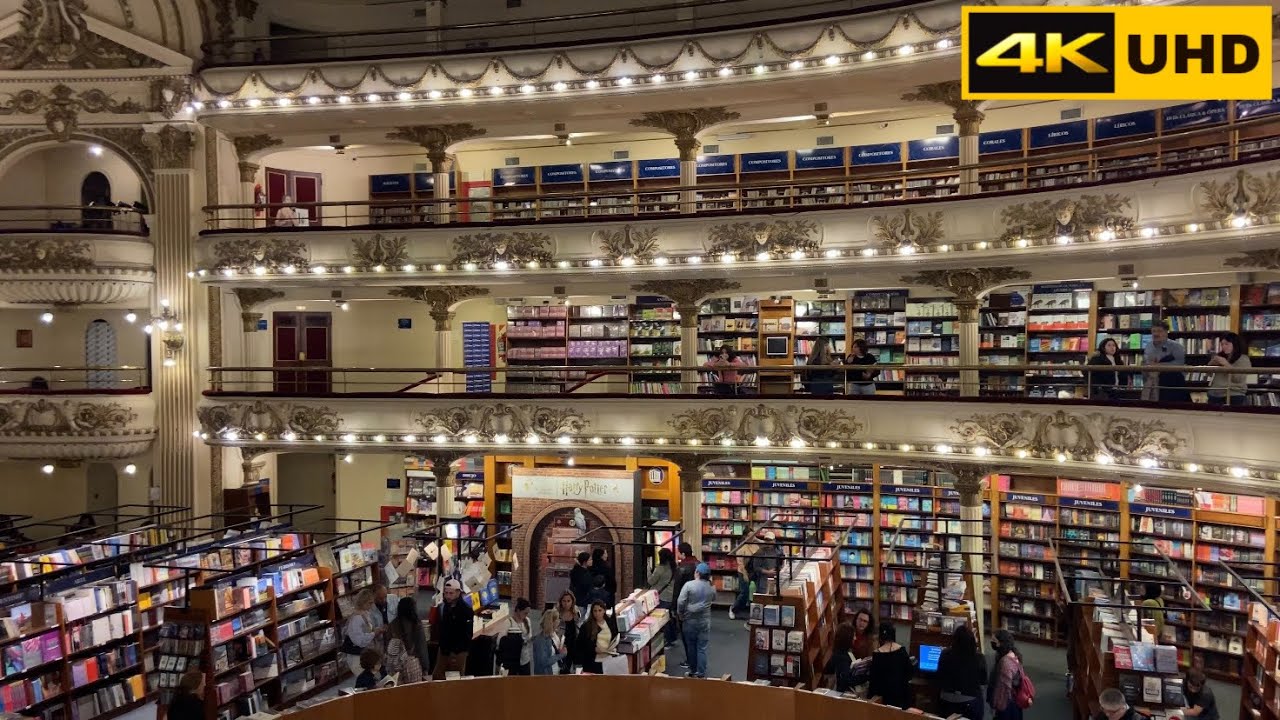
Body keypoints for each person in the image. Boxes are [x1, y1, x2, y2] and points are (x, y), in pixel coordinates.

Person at [936, 625, 987, 720]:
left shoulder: (945, 653)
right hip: (969, 700)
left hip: (946, 699)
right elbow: (983, 682)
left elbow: (939, 675)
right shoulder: (979, 658)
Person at [677, 562, 715, 678]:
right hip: (705, 621)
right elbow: (713, 598)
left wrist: (680, 613)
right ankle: (701, 673)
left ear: (697, 573)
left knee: (691, 646)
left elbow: (681, 601)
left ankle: (693, 671)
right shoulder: (711, 588)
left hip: (690, 620)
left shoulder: (689, 585)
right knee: (702, 648)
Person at [430, 578, 474, 679]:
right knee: (438, 677)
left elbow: (468, 634)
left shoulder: (466, 610)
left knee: (455, 680)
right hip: (444, 650)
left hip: (458, 652)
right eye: (446, 593)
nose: (448, 596)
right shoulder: (444, 607)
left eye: (451, 593)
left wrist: (459, 651)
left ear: (458, 593)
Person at [383, 596, 428, 683]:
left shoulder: (392, 624)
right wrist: (425, 667)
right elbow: (421, 648)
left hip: (394, 664)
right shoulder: (416, 624)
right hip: (412, 663)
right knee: (414, 692)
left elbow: (387, 646)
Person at [868, 623, 913, 709]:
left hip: (882, 700)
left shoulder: (877, 654)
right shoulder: (901, 650)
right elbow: (909, 673)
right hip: (901, 697)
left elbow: (873, 681)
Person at [1144, 323, 1189, 403]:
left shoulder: (1176, 346)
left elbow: (1179, 364)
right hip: (1154, 383)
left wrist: (1158, 365)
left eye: (1159, 331)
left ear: (1166, 332)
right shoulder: (1148, 346)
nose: (1156, 334)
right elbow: (1147, 363)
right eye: (1153, 331)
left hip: (1173, 384)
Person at [987, 629, 1025, 720]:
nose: (991, 642)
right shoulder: (1011, 655)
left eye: (994, 641)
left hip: (1007, 705)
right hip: (1011, 702)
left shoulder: (1005, 662)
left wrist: (996, 704)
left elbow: (1004, 689)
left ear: (1001, 643)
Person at [342, 588, 381, 675]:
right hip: (356, 655)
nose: (372, 605)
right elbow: (359, 640)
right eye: (369, 603)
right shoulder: (356, 618)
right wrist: (374, 633)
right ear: (362, 602)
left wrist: (374, 631)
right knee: (364, 677)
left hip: (363, 653)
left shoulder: (365, 614)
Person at [1206, 332, 1251, 406]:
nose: (1224, 347)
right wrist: (1211, 364)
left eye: (1227, 344)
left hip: (1233, 394)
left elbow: (1239, 379)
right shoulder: (1220, 356)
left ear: (1235, 344)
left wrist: (1226, 364)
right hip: (1214, 394)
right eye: (1222, 344)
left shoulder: (1243, 359)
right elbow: (1209, 374)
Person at [673, 542, 699, 668]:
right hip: (699, 604)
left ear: (682, 553)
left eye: (678, 552)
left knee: (686, 635)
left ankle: (690, 661)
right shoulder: (698, 564)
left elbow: (677, 589)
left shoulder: (682, 568)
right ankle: (697, 659)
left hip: (685, 605)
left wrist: (675, 608)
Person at [574, 600, 618, 674]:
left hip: (608, 659)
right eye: (595, 611)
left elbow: (614, 637)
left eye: (600, 610)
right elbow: (580, 644)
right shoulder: (587, 626)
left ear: (604, 610)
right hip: (593, 661)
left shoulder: (610, 623)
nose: (597, 613)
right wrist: (594, 649)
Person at [647, 548, 679, 645]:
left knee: (662, 620)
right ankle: (672, 638)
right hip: (671, 596)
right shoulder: (674, 567)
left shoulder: (660, 569)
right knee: (669, 618)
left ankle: (667, 640)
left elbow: (651, 581)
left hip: (662, 597)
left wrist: (648, 570)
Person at [499, 597, 533, 675]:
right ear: (518, 611)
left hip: (525, 659)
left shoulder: (527, 621)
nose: (526, 615)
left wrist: (526, 641)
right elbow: (500, 641)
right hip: (512, 661)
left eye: (528, 613)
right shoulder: (508, 623)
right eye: (525, 613)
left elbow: (529, 636)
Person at [822, 622, 858, 693]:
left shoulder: (841, 652)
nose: (855, 638)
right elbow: (846, 680)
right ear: (847, 638)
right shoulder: (841, 657)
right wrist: (864, 677)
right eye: (853, 636)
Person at [533, 608, 568, 675]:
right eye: (557, 619)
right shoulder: (540, 640)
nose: (559, 621)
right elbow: (543, 662)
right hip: (546, 675)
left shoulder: (555, 634)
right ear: (552, 622)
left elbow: (555, 651)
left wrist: (562, 649)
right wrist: (561, 655)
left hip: (556, 672)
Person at [555, 591, 580, 674]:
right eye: (564, 601)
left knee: (576, 669)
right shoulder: (556, 613)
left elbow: (578, 628)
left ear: (572, 601)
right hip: (562, 644)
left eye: (568, 601)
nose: (566, 604)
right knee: (563, 669)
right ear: (560, 601)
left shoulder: (576, 613)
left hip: (574, 643)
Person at [729, 555, 758, 622]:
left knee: (753, 591)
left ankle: (743, 611)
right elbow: (740, 563)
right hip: (743, 572)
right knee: (744, 591)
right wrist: (745, 574)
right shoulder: (742, 548)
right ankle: (733, 608)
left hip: (752, 570)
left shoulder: (754, 546)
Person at [569, 552, 593, 617]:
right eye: (590, 560)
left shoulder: (575, 571)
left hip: (576, 600)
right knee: (580, 621)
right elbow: (585, 588)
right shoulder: (584, 574)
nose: (592, 561)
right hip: (582, 601)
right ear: (585, 562)